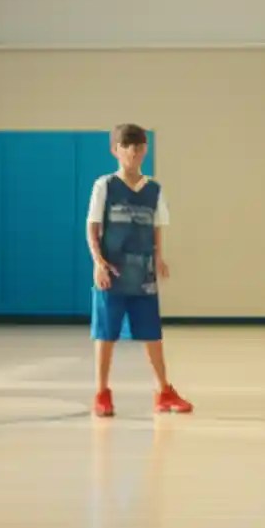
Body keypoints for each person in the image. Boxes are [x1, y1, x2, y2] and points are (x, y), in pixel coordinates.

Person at [86, 123, 193, 417]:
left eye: (138, 147)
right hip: (112, 272)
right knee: (106, 334)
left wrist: (159, 257)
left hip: (143, 273)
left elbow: (157, 226)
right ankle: (102, 393)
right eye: (127, 147)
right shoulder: (104, 186)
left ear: (145, 149)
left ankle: (164, 392)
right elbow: (92, 228)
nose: (133, 152)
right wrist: (98, 262)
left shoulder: (154, 189)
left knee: (152, 335)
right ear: (116, 150)